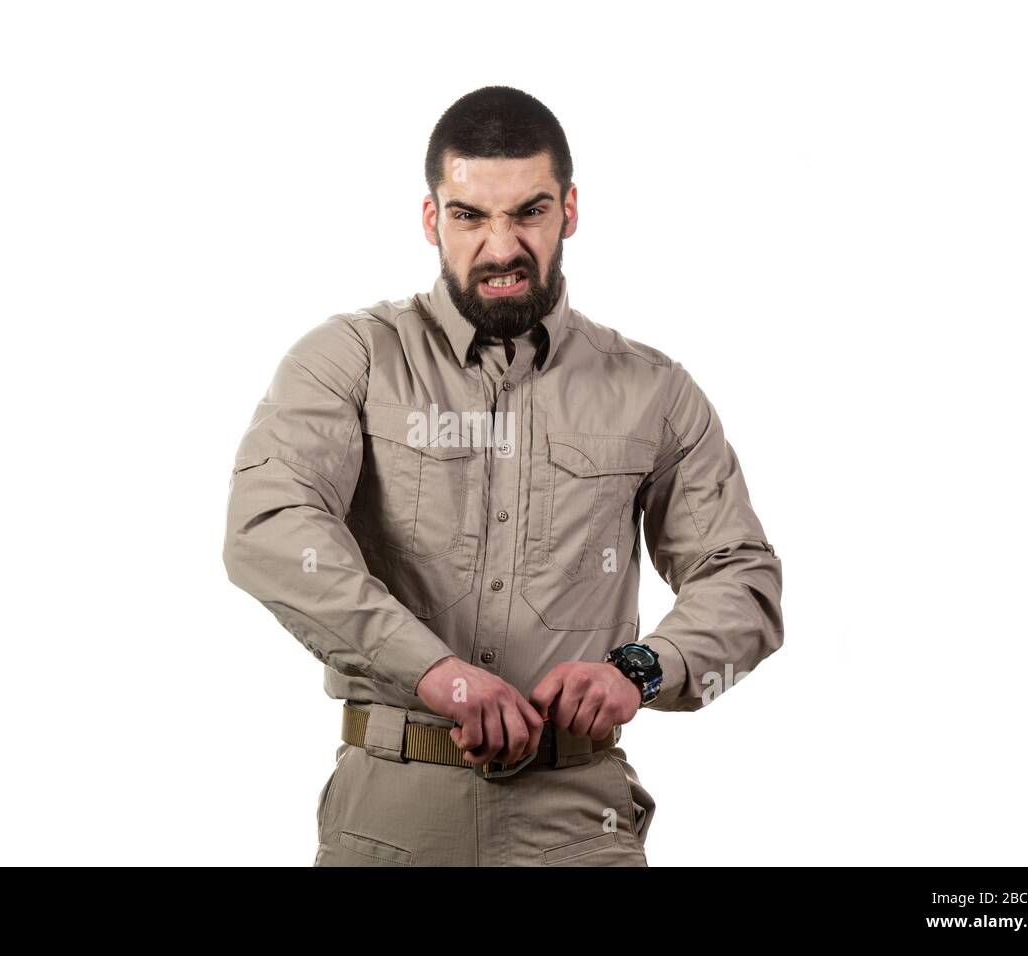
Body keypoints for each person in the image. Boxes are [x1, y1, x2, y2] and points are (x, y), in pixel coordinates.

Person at [222, 85, 785, 866]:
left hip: (579, 824)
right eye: (470, 216)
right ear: (431, 219)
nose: (500, 247)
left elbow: (742, 576)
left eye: (529, 212)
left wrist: (641, 670)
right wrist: (433, 672)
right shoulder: (350, 360)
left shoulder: (653, 390)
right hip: (388, 817)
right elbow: (270, 528)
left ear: (569, 211)